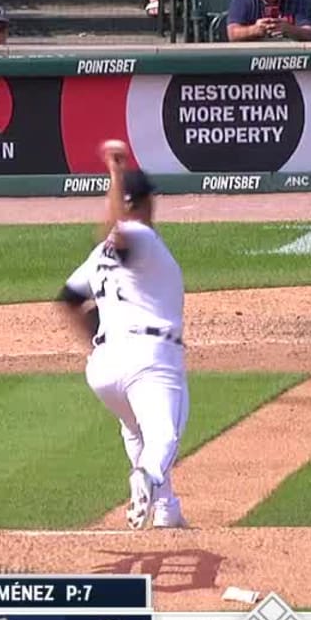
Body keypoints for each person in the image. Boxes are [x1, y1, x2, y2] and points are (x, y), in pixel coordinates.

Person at [57, 141, 190, 530]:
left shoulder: (97, 255)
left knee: (135, 428)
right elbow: (120, 233)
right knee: (164, 433)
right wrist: (115, 172)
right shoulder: (140, 236)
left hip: (103, 366)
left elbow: (68, 299)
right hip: (150, 357)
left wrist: (99, 344)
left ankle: (167, 512)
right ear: (144, 202)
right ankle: (146, 475)